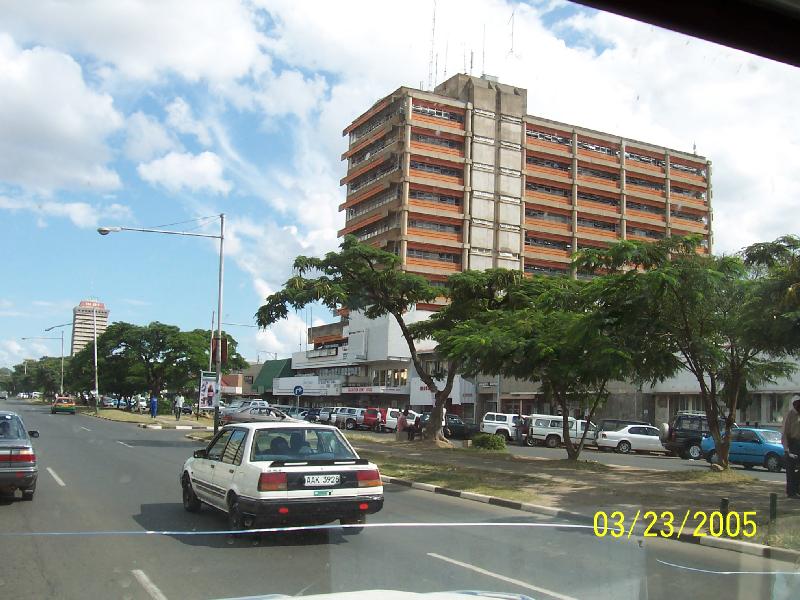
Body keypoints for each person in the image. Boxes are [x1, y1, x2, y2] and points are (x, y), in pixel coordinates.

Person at [781, 394, 800, 499]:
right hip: (791, 445)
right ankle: (791, 492)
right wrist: (786, 449)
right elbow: (784, 433)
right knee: (790, 471)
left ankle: (796, 489)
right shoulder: (790, 414)